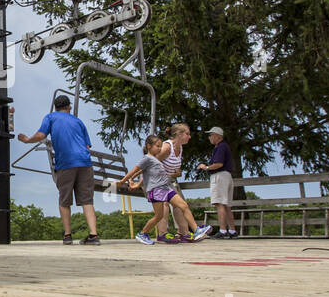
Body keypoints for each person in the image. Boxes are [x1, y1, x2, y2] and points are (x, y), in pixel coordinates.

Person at [18, 94, 100, 245]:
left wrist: (28, 140)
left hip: (66, 163)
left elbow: (41, 135)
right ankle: (93, 235)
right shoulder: (78, 121)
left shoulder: (50, 118)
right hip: (84, 163)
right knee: (87, 201)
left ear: (56, 108)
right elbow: (87, 146)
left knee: (64, 200)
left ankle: (68, 236)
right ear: (69, 106)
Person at [117, 136, 210, 244]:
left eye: (161, 147)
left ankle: (197, 230)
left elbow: (150, 175)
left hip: (166, 188)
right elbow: (135, 170)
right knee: (158, 216)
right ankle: (142, 233)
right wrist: (123, 181)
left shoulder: (156, 160)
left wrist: (138, 184)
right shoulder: (147, 159)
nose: (160, 149)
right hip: (156, 190)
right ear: (148, 146)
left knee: (183, 205)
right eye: (157, 146)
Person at [157, 123, 211, 241]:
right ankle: (162, 234)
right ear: (179, 134)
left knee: (179, 205)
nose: (189, 137)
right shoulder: (167, 147)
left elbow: (176, 170)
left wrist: (174, 174)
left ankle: (183, 233)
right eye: (187, 134)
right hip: (155, 179)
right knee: (164, 203)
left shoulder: (180, 148)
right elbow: (150, 162)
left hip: (168, 180)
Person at [198, 127, 237, 238]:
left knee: (219, 203)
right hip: (227, 176)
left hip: (219, 176)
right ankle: (233, 231)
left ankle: (223, 230)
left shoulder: (220, 147)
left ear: (217, 136)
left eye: (211, 135)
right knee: (227, 205)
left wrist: (206, 167)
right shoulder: (225, 147)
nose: (209, 138)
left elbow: (219, 163)